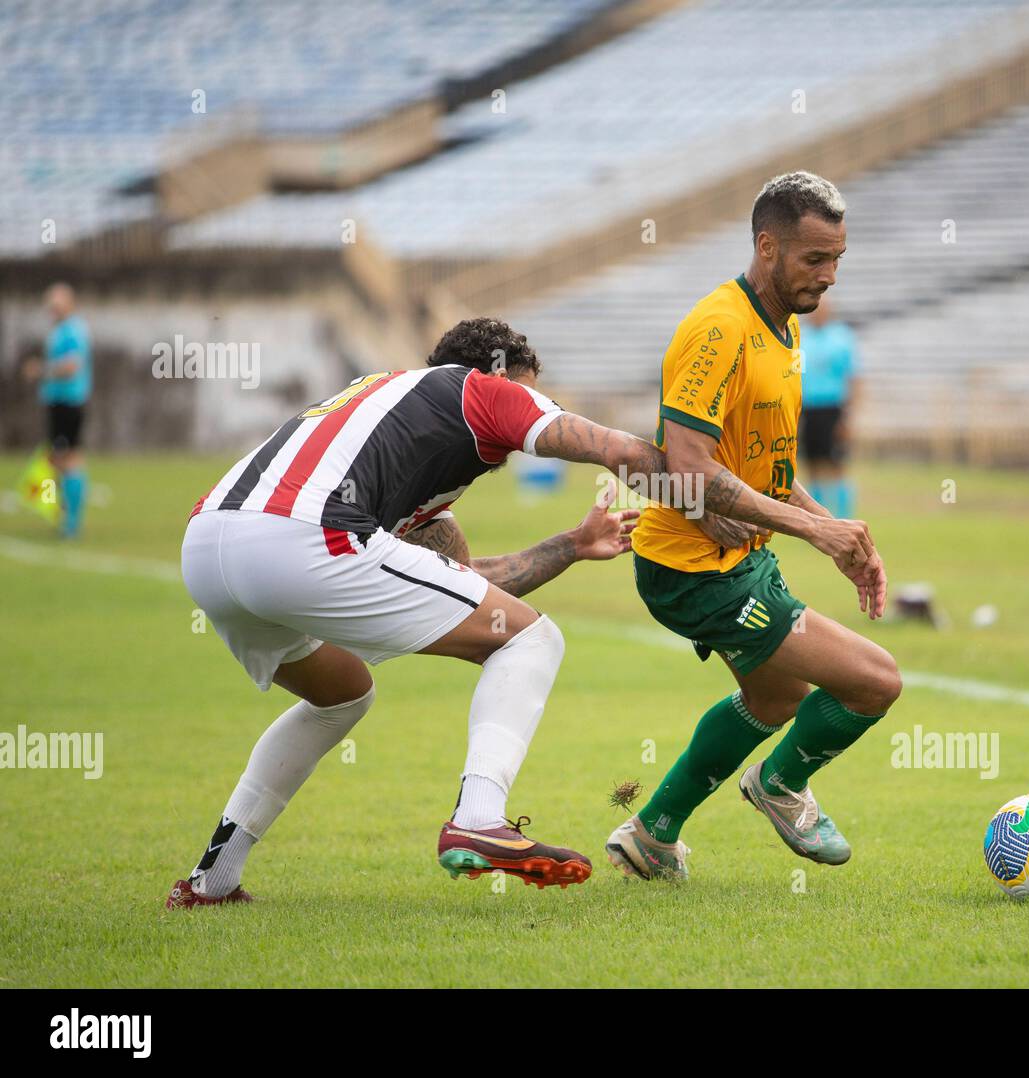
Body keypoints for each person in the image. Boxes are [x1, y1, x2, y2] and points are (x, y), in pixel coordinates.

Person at [167, 318, 750, 907]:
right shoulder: (481, 391)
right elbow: (621, 451)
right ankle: (479, 817)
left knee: (341, 695)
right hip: (304, 538)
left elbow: (455, 588)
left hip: (211, 545)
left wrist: (570, 546)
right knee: (534, 641)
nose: (535, 406)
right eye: (531, 392)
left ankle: (211, 881)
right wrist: (703, 509)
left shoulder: (395, 411)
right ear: (498, 376)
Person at [606, 172, 900, 881]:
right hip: (691, 569)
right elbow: (688, 464)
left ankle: (653, 833)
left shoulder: (785, 325)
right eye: (813, 259)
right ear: (767, 247)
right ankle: (780, 785)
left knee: (776, 697)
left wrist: (837, 532)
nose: (829, 276)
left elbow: (762, 466)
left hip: (738, 560)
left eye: (837, 260)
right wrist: (810, 532)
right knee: (874, 682)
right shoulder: (720, 328)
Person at [21, 283, 92, 538]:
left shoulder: (73, 330)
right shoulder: (60, 330)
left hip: (68, 403)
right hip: (59, 402)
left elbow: (72, 366)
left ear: (69, 304)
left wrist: (42, 370)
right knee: (56, 459)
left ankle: (71, 521)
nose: (52, 309)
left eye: (57, 304)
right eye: (50, 305)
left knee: (68, 459)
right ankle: (62, 513)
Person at [797, 298, 861, 518]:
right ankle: (817, 516)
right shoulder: (800, 337)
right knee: (812, 463)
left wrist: (848, 416)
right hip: (806, 409)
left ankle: (845, 516)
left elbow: (853, 378)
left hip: (833, 408)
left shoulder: (842, 338)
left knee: (837, 464)